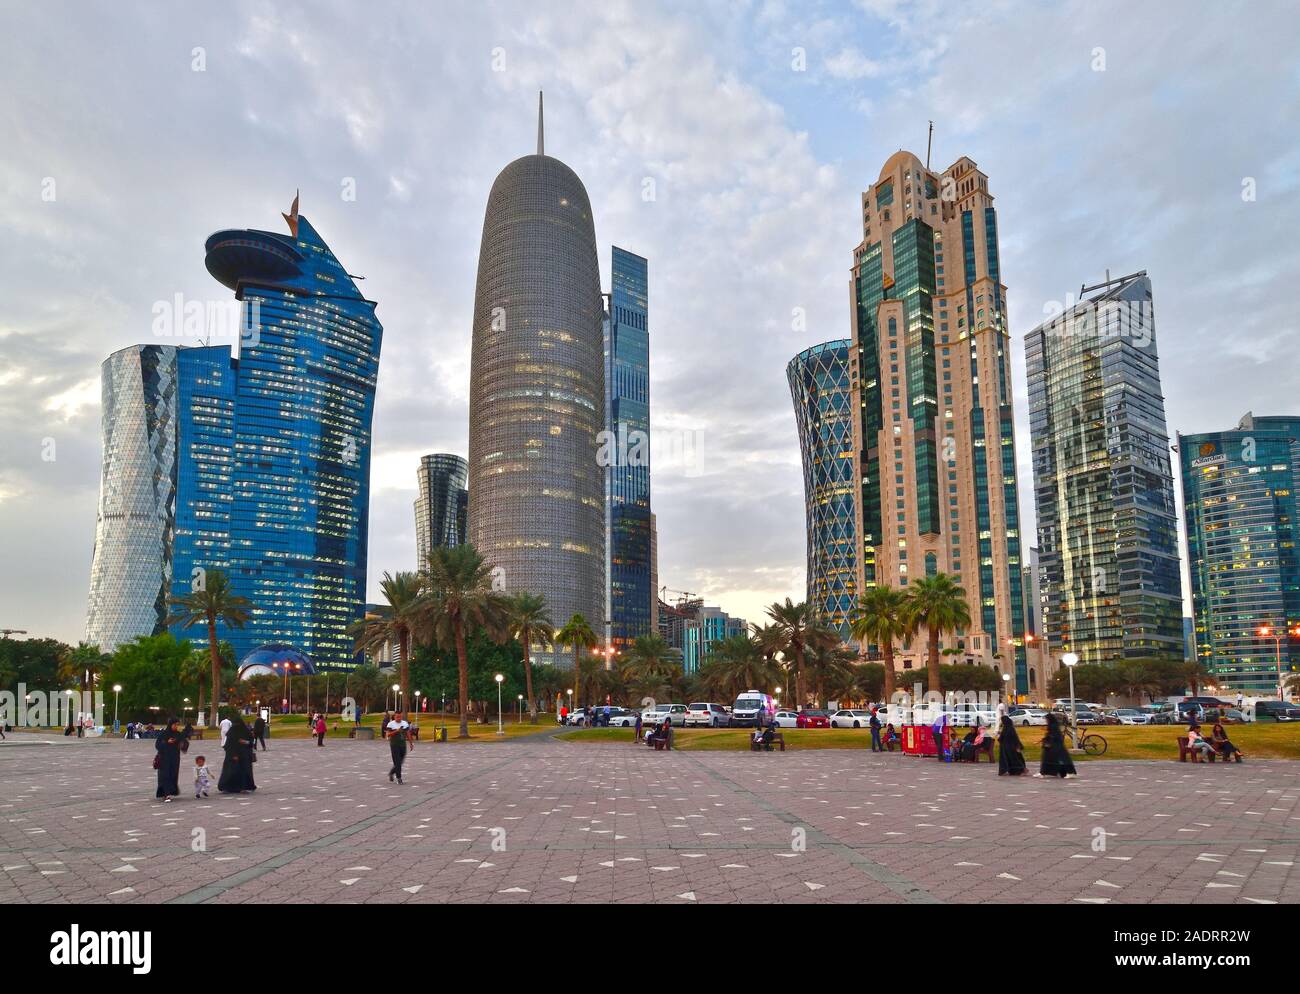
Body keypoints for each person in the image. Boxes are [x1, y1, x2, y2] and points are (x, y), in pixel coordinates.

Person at [218, 714, 257, 793]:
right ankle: (228, 787)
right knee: (231, 771)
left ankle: (243, 787)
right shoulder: (232, 732)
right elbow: (228, 745)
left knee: (243, 772)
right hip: (232, 756)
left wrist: (245, 742)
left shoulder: (246, 732)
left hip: (244, 756)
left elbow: (251, 743)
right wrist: (233, 755)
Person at [1036, 712, 1078, 778]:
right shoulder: (1052, 726)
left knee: (1062, 760)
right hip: (1053, 746)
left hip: (1057, 746)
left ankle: (1070, 772)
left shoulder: (1053, 726)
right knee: (1047, 759)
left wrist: (1048, 742)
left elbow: (1055, 736)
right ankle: (1043, 772)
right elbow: (1050, 735)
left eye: (1047, 719)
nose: (1046, 721)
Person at [154, 718, 184, 801]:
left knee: (173, 775)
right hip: (164, 758)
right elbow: (157, 745)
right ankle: (165, 794)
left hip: (175, 759)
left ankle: (169, 792)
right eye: (175, 725)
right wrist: (167, 742)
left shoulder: (178, 734)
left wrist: (181, 744)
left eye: (177, 725)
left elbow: (184, 744)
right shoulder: (164, 734)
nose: (176, 726)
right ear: (170, 725)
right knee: (165, 775)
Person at [387, 712, 412, 783]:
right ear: (394, 717)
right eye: (397, 717)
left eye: (400, 717)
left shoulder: (404, 723)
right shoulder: (391, 724)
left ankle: (391, 772)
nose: (399, 718)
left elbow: (408, 733)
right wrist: (396, 731)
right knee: (397, 762)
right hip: (394, 745)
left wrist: (410, 743)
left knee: (400, 762)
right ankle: (399, 778)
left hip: (403, 745)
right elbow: (388, 734)